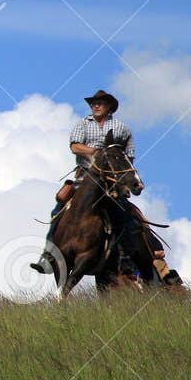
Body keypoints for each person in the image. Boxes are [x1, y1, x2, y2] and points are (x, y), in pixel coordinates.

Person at [30, 89, 132, 274]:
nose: (95, 105)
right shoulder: (83, 124)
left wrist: (120, 171)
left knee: (122, 211)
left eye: (100, 103)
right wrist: (95, 152)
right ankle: (48, 255)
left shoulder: (121, 128)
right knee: (59, 206)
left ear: (109, 106)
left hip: (110, 179)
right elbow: (75, 147)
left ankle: (124, 256)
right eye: (93, 103)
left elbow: (129, 155)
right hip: (85, 175)